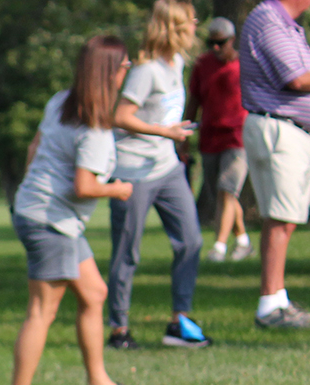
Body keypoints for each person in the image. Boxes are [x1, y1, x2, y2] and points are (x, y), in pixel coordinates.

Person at [7, 35, 144, 385]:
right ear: (111, 73)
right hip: (51, 222)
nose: (128, 71)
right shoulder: (94, 129)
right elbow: (83, 187)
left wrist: (33, 191)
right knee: (42, 311)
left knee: (94, 294)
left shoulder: (60, 102)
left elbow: (34, 148)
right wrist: (118, 190)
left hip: (44, 213)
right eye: (126, 65)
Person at [239, 0, 310, 329]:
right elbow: (297, 80)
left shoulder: (285, 25)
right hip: (278, 129)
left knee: (285, 219)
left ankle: (278, 299)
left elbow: (304, 82)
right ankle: (269, 305)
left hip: (289, 130)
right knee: (280, 218)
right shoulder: (269, 20)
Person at [106, 0, 208, 350]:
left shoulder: (176, 63)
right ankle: (119, 330)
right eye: (191, 21)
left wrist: (176, 134)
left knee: (191, 241)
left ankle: (179, 323)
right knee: (127, 252)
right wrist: (166, 132)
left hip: (167, 168)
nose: (196, 27)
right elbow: (120, 117)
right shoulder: (145, 71)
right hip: (132, 172)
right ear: (175, 27)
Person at [190, 19, 252, 262]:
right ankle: (243, 241)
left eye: (221, 42)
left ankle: (219, 247)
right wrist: (185, 134)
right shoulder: (202, 65)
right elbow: (194, 100)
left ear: (232, 40)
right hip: (209, 138)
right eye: (211, 43)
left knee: (227, 189)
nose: (215, 47)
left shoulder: (245, 65)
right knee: (222, 194)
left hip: (238, 137)